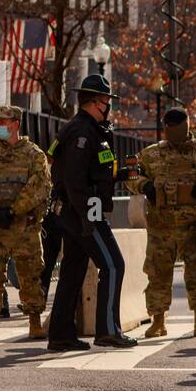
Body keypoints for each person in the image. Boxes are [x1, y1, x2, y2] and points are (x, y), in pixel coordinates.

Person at [45, 74, 137, 352]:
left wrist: (121, 174)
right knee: (113, 265)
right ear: (95, 103)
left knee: (72, 270)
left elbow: (90, 174)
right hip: (85, 214)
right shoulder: (83, 133)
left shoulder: (85, 129)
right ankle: (108, 330)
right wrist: (88, 215)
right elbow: (74, 180)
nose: (109, 106)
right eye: (107, 101)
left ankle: (61, 334)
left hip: (77, 213)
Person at [127, 106, 196, 339]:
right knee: (157, 274)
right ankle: (158, 321)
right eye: (169, 126)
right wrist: (144, 185)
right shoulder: (152, 154)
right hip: (161, 226)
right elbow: (131, 175)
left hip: (193, 224)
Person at [0, 106, 51, 340]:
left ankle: (35, 321)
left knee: (30, 275)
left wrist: (14, 210)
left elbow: (40, 185)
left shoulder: (34, 154)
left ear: (15, 124)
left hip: (25, 226)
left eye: (2, 121)